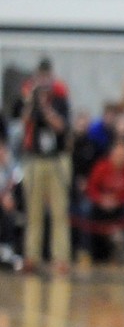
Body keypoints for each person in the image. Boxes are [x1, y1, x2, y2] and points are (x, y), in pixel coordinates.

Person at [13, 58, 72, 274]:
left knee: (58, 211)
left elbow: (61, 127)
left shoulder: (60, 99)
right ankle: (31, 256)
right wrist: (32, 101)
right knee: (33, 211)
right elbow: (22, 123)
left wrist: (46, 107)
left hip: (56, 160)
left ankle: (61, 258)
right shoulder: (29, 99)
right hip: (34, 159)